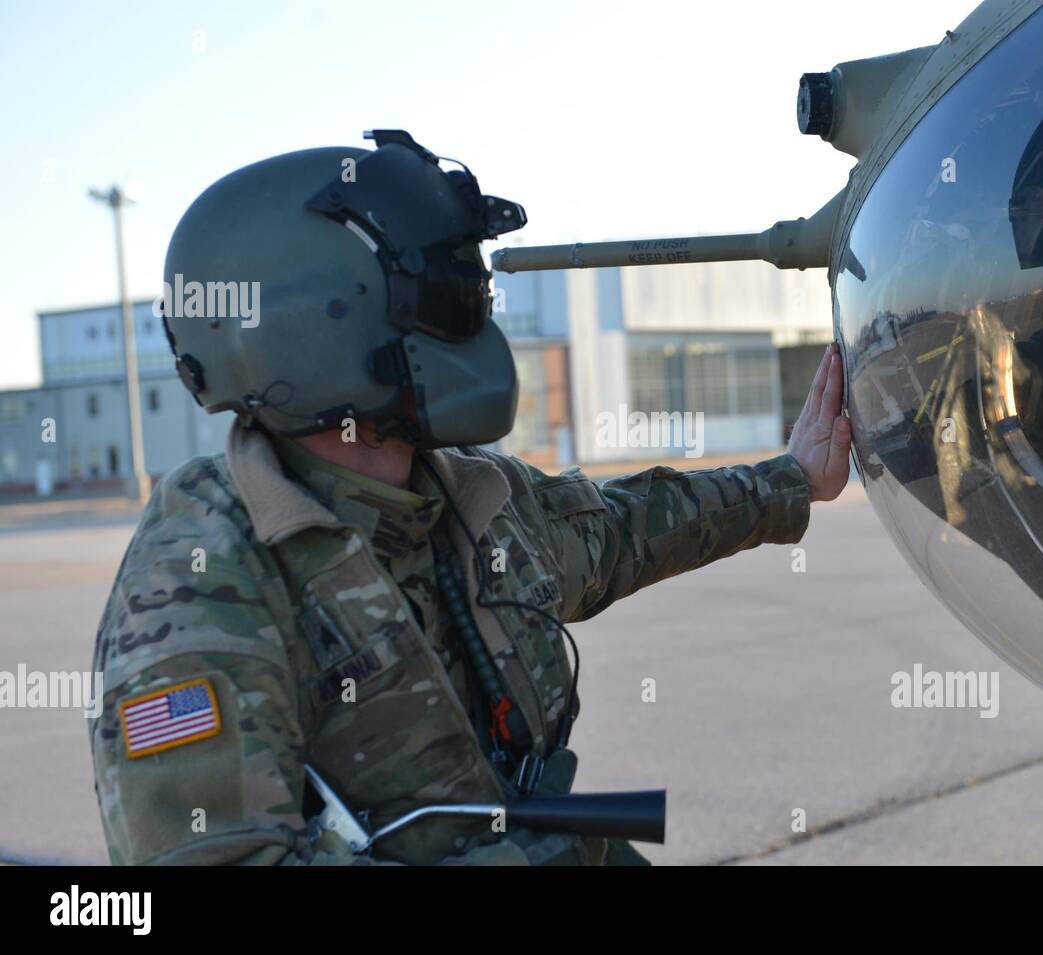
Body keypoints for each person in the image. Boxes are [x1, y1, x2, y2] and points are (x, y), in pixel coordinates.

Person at [89, 129, 853, 865]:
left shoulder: (467, 493)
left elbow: (627, 529)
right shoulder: (205, 576)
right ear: (318, 329)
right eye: (444, 300)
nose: (471, 325)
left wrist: (792, 481)